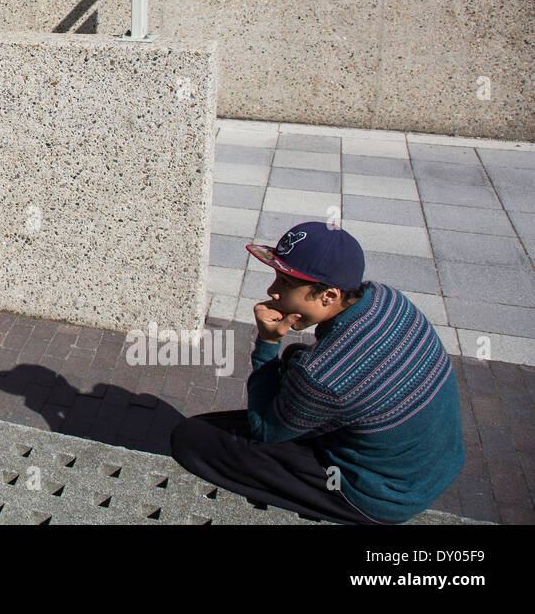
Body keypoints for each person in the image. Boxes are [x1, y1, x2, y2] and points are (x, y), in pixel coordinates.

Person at [169, 221, 465, 524]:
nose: (272, 292)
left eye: (285, 283)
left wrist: (268, 343)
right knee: (295, 360)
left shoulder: (321, 376)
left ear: (329, 296)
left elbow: (265, 431)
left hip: (383, 494)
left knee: (194, 438)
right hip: (434, 464)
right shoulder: (389, 299)